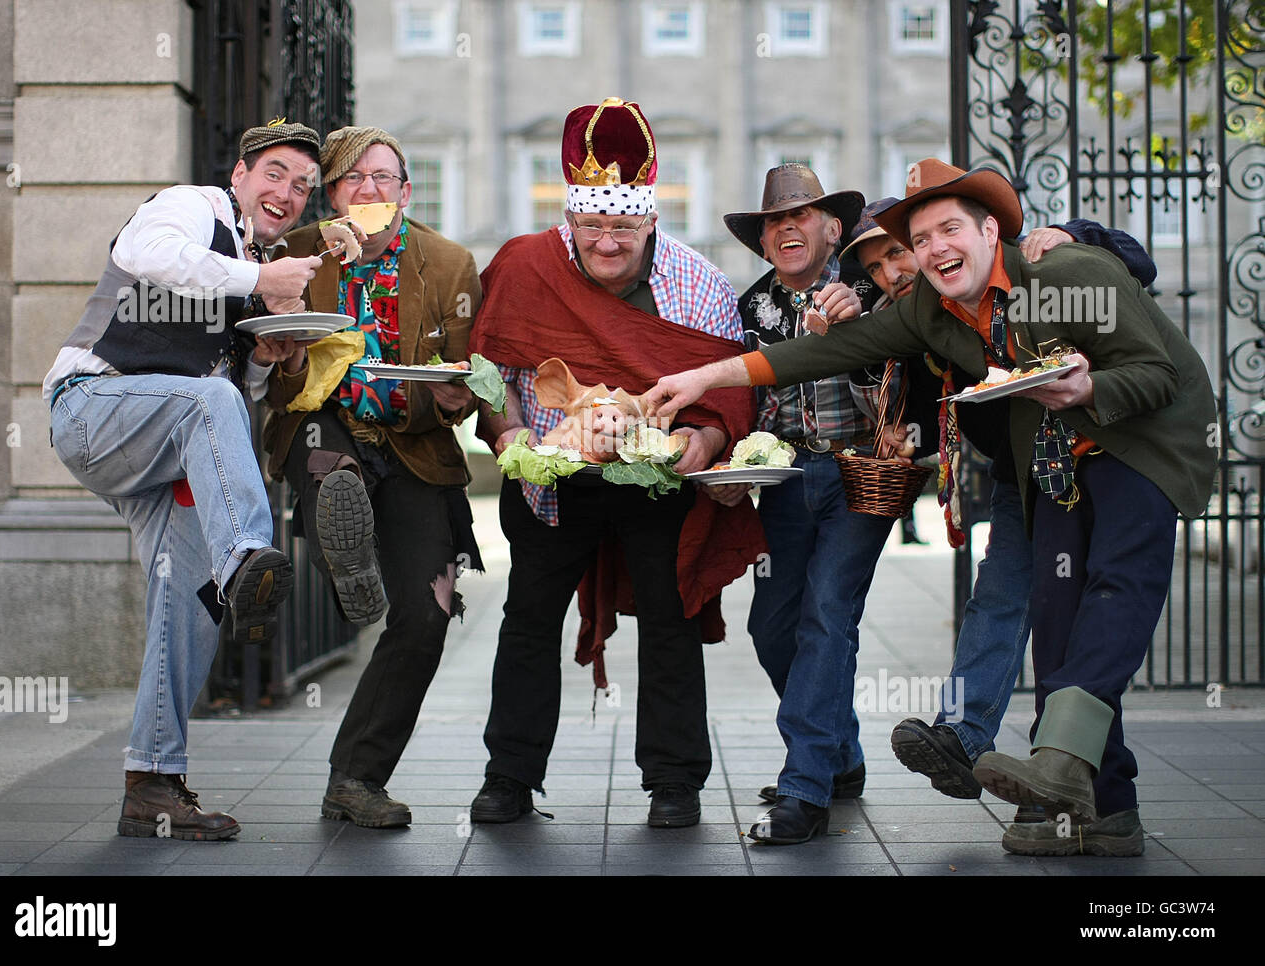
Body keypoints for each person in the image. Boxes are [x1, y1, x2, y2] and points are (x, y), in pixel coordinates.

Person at [646, 159, 1216, 857]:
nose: (934, 248)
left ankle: (1057, 763)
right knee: (1056, 615)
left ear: (988, 230)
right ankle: (1105, 809)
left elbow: (1156, 370)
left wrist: (1088, 385)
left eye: (950, 229)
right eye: (921, 238)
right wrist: (699, 377)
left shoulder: (1065, 274)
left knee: (1115, 588)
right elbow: (818, 355)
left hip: (1142, 438)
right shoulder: (927, 307)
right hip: (1050, 452)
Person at [466, 98, 861, 828]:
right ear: (570, 220)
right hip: (550, 480)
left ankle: (674, 781)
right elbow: (491, 371)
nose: (607, 244)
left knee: (671, 618)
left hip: (658, 481)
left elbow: (727, 405)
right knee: (526, 618)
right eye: (592, 227)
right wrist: (510, 435)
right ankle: (509, 776)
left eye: (622, 227)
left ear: (651, 218)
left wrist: (698, 448)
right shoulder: (523, 265)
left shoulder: (701, 284)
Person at [44, 120, 325, 840]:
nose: (287, 193)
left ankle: (152, 785)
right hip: (90, 406)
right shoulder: (190, 207)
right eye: (276, 174)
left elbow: (238, 400)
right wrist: (259, 280)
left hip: (159, 447)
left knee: (190, 597)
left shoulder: (251, 273)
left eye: (302, 187)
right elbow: (145, 253)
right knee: (209, 402)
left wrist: (265, 353)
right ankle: (246, 560)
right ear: (240, 174)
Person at [839, 199, 1157, 808]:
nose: (895, 271)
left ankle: (1073, 782)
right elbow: (927, 406)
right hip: (1023, 470)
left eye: (899, 252)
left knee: (1091, 615)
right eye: (877, 266)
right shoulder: (908, 319)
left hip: (1107, 453)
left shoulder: (1020, 268)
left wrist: (1076, 231)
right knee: (1012, 600)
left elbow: (1134, 265)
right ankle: (975, 741)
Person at [261, 126, 484, 829]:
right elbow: (270, 384)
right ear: (331, 196)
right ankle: (343, 546)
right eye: (351, 179)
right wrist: (288, 358)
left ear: (405, 190)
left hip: (413, 439)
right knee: (335, 473)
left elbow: (469, 379)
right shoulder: (296, 254)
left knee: (427, 611)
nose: (367, 189)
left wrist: (459, 395)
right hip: (324, 425)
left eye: (381, 177)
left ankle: (355, 779)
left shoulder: (449, 265)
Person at [707, 164, 883, 845]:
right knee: (772, 628)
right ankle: (840, 755)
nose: (786, 227)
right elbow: (748, 403)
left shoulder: (866, 285)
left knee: (827, 616)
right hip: (784, 482)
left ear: (831, 228)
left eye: (800, 215)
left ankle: (805, 785)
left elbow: (902, 369)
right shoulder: (751, 308)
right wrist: (733, 460)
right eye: (775, 221)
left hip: (858, 479)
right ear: (763, 240)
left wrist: (858, 319)